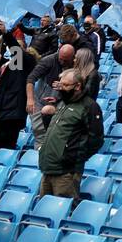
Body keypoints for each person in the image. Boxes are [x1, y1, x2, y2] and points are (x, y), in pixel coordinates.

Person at [36, 69, 104, 202]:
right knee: (44, 211)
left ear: (77, 86)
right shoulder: (62, 103)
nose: (61, 89)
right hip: (48, 167)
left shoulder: (89, 106)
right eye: (61, 85)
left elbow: (96, 140)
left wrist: (73, 157)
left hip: (66, 172)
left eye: (66, 85)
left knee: (62, 212)